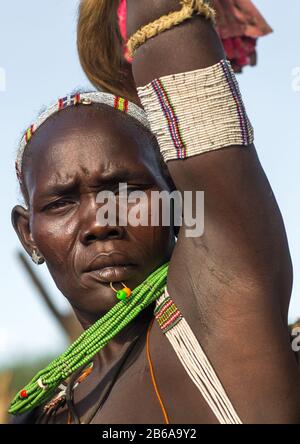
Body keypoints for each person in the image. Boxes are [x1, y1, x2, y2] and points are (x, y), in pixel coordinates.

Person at [10, 0, 300, 424]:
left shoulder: (220, 313)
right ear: (28, 235)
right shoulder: (39, 413)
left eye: (126, 191)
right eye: (61, 203)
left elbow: (167, 24)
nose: (100, 222)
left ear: (180, 204)